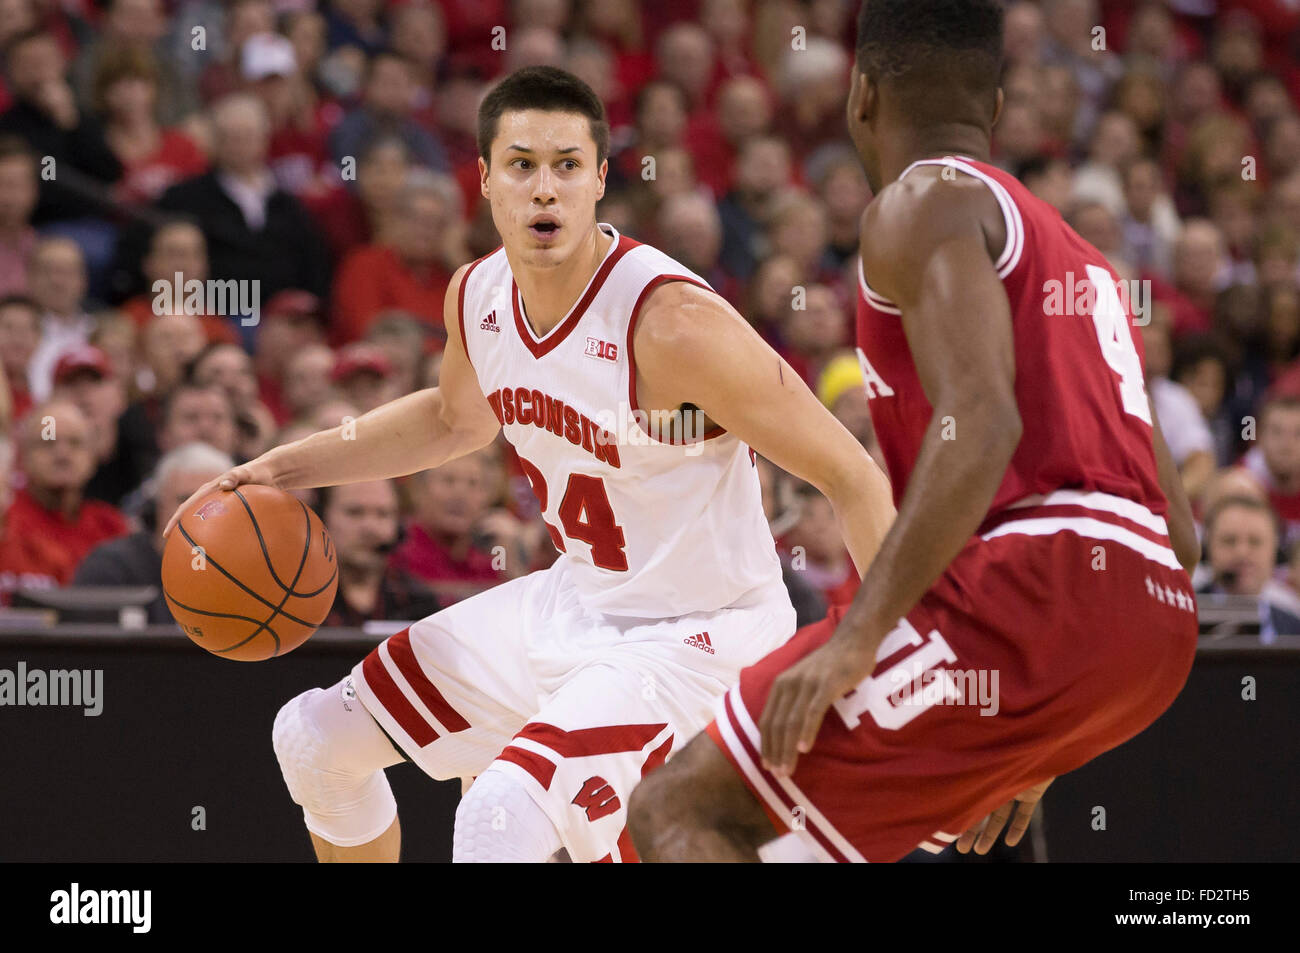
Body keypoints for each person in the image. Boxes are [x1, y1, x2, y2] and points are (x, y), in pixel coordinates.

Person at [165, 66, 894, 864]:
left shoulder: (675, 325)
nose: (544, 189)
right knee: (312, 738)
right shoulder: (476, 295)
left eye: (566, 166)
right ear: (483, 179)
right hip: (574, 601)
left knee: (498, 817)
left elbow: (852, 475)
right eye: (521, 165)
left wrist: (907, 675)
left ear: (600, 181)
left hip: (699, 634)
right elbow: (451, 418)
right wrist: (282, 468)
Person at [629, 0, 1200, 864]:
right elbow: (1179, 533)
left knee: (676, 813)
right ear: (998, 109)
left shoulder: (919, 200)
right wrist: (1041, 743)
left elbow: (983, 424)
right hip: (1155, 634)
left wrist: (860, 635)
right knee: (790, 843)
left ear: (860, 95)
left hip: (1032, 595)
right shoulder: (1084, 260)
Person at [74, 442, 234, 623]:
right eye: (185, 500)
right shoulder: (109, 569)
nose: (198, 513)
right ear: (158, 505)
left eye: (210, 503)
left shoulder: (247, 574)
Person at [317, 480, 440, 628]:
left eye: (383, 514)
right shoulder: (298, 602)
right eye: (355, 512)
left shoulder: (420, 605)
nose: (370, 528)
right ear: (323, 516)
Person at [1196, 494, 1300, 642]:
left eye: (1255, 542)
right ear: (1208, 548)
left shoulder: (1295, 629)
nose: (1242, 553)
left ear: (1274, 551)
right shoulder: (1183, 616)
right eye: (1229, 541)